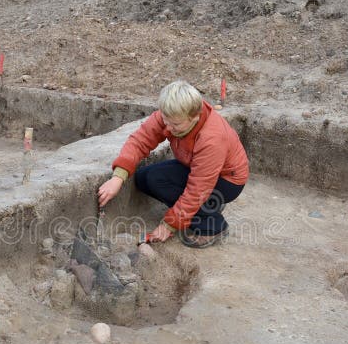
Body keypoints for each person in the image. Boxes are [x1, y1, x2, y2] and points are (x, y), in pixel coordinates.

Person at [97, 80, 249, 248]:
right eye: (165, 121)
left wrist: (169, 225)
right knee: (145, 178)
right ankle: (208, 207)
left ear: (195, 116)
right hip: (194, 166)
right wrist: (118, 177)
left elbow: (198, 189)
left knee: (187, 192)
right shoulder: (172, 114)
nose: (168, 128)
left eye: (175, 124)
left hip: (227, 180)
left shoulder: (212, 139)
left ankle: (212, 227)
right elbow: (140, 140)